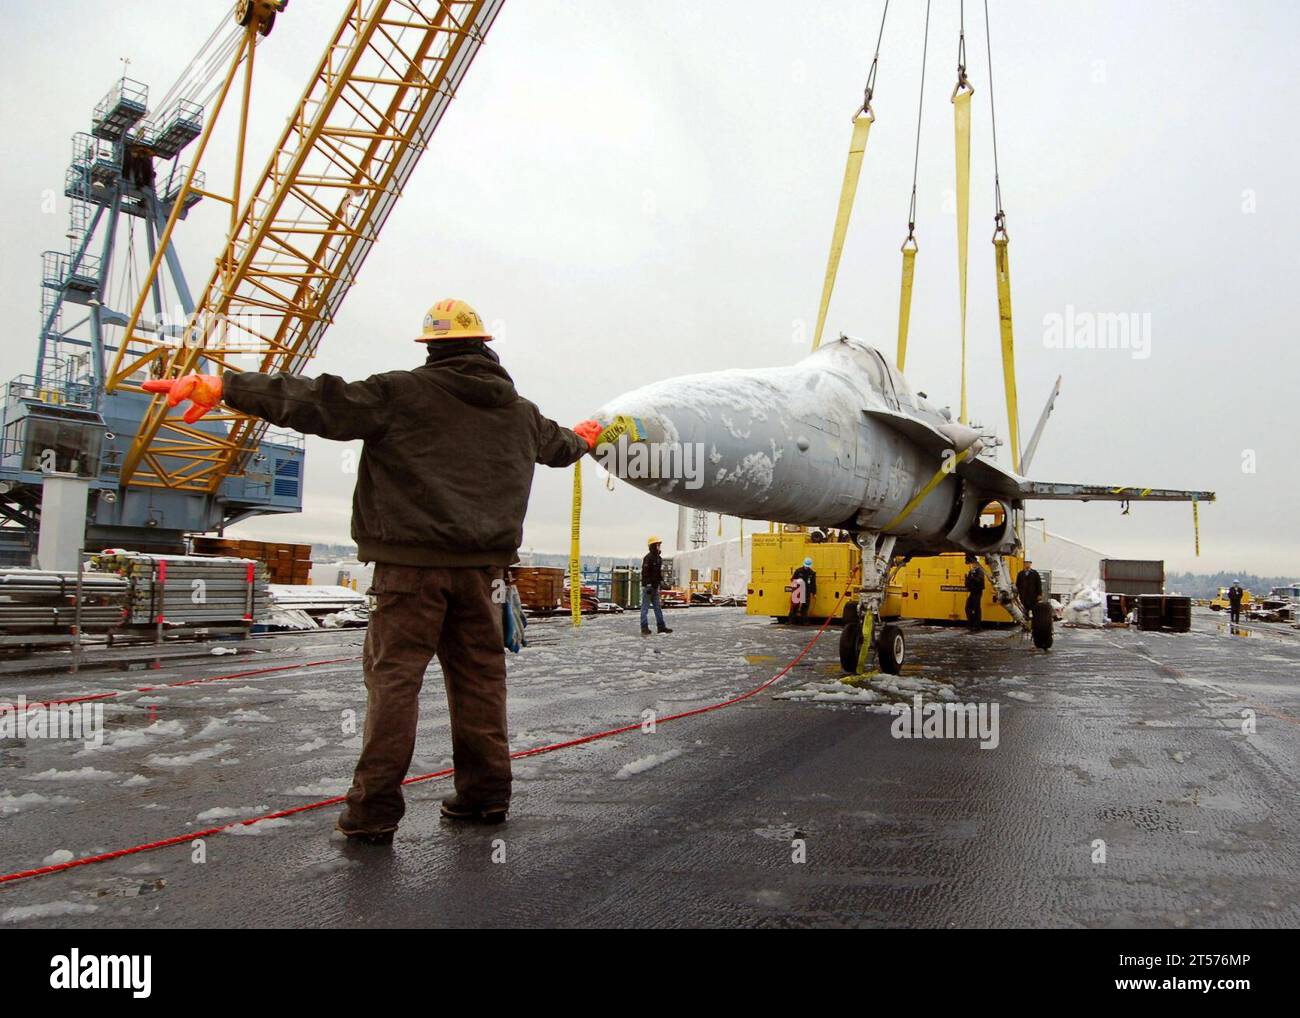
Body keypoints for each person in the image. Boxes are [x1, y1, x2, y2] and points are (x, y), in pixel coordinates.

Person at [144, 299, 602, 842]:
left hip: (409, 572)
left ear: (431, 347)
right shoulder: (521, 413)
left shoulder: (400, 393)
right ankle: (484, 796)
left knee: (395, 685)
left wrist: (224, 388)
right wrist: (588, 434)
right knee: (480, 682)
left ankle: (374, 811)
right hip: (487, 577)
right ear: (485, 347)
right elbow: (563, 448)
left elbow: (317, 401)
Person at [640, 536, 672, 635]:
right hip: (649, 588)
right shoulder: (648, 558)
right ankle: (644, 628)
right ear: (653, 546)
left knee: (657, 607)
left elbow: (657, 573)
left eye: (659, 545)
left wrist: (662, 582)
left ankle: (661, 627)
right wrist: (648, 584)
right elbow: (645, 573)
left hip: (655, 587)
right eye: (657, 544)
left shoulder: (658, 558)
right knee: (645, 608)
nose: (659, 546)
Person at [788, 557, 817, 625]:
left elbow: (813, 584)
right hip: (797, 591)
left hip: (807, 591)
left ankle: (804, 622)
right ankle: (791, 621)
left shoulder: (812, 573)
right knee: (794, 607)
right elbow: (793, 580)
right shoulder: (798, 571)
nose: (806, 567)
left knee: (805, 607)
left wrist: (814, 593)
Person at [964, 556, 985, 631]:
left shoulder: (980, 571)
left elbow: (979, 581)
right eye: (972, 563)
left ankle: (977, 625)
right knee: (968, 608)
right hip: (972, 591)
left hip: (977, 592)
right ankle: (971, 623)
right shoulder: (971, 571)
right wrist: (967, 579)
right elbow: (968, 582)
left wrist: (972, 577)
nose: (972, 565)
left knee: (976, 608)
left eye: (973, 563)